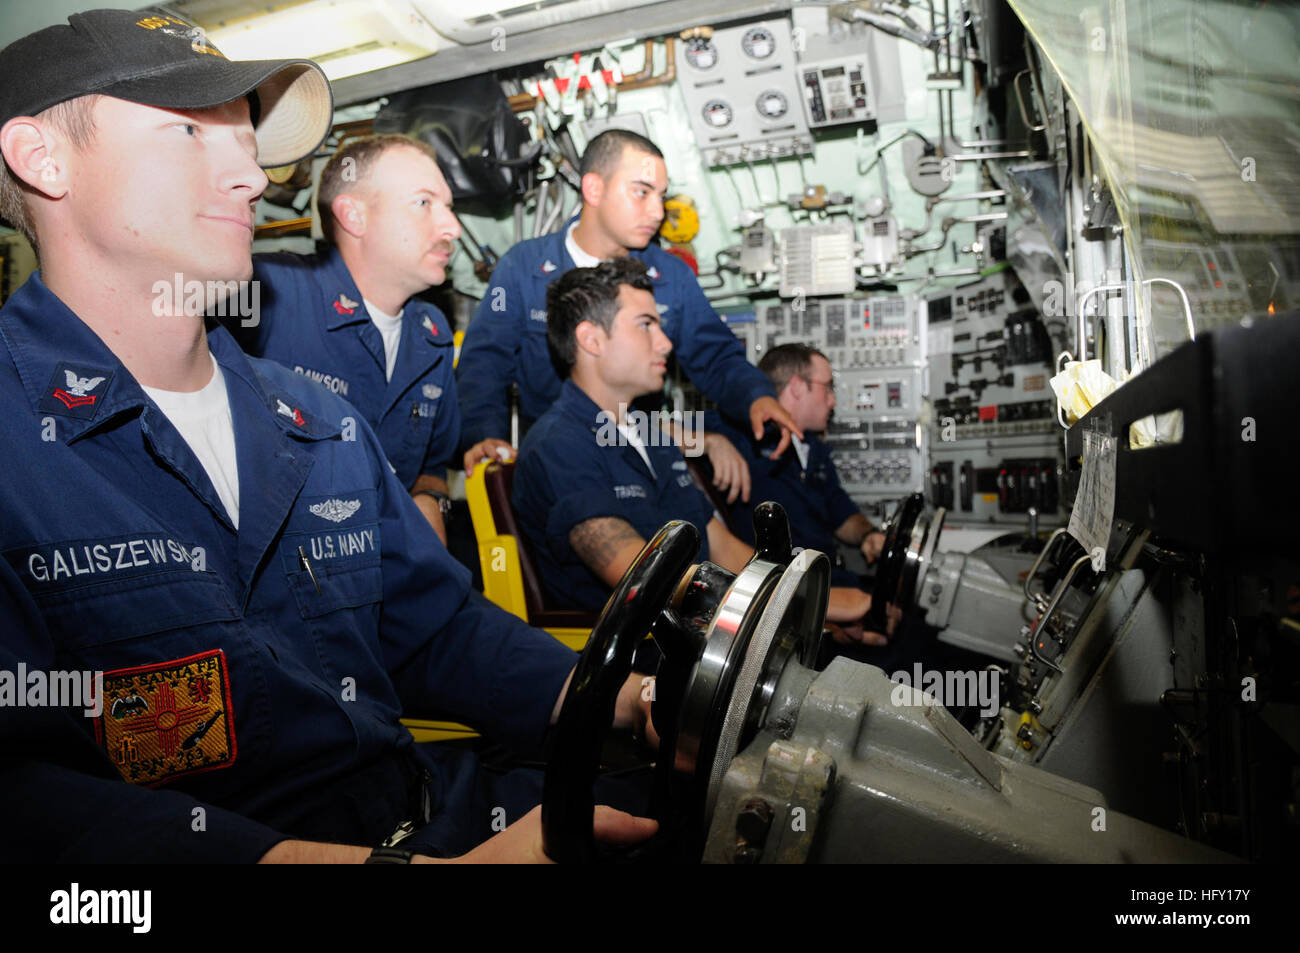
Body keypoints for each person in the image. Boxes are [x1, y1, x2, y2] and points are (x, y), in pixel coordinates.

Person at [0, 9, 654, 863]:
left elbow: (438, 632)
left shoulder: (321, 420)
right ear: (42, 159)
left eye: (248, 140)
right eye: (192, 134)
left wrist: (625, 698)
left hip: (421, 805)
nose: (254, 176)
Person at [511, 260, 882, 643]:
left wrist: (807, 605)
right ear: (591, 339)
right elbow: (647, 578)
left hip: (707, 630)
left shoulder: (648, 434)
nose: (666, 343)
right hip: (643, 655)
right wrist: (802, 602)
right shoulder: (560, 445)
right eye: (645, 325)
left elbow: (721, 546)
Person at [455, 128, 799, 500]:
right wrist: (484, 437)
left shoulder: (670, 275)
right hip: (560, 461)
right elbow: (485, 364)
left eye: (662, 196)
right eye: (641, 192)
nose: (657, 211)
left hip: (647, 450)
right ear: (594, 189)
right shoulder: (524, 267)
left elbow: (714, 355)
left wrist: (756, 396)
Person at [238, 134, 460, 542]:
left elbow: (433, 465)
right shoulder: (265, 292)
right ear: (354, 216)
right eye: (425, 203)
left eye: (449, 207)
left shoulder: (432, 334)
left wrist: (429, 498)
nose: (453, 227)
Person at [712, 344, 887, 587]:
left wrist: (869, 535)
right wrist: (711, 442)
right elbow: (645, 429)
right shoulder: (737, 432)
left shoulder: (812, 448)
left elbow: (841, 513)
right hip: (780, 590)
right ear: (796, 387)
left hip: (826, 579)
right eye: (826, 388)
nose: (833, 401)